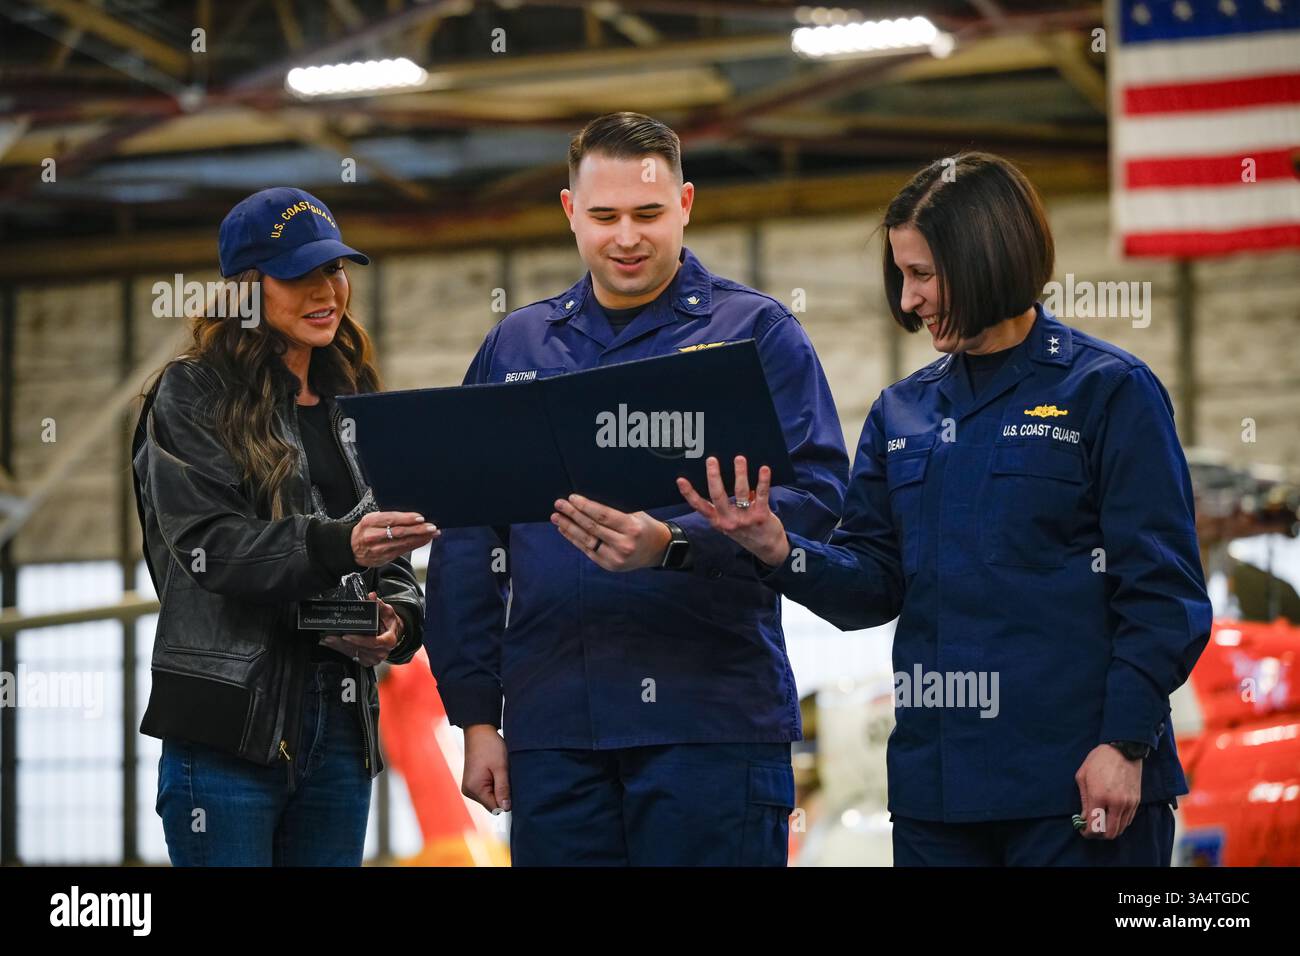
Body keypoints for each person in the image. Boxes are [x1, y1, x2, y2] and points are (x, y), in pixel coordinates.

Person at [677, 152, 1212, 866]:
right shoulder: (903, 413)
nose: (907, 300)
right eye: (901, 276)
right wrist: (778, 548)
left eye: (923, 275)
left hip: (1080, 787)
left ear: (988, 260)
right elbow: (874, 583)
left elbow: (1164, 595)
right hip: (937, 801)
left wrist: (1124, 743)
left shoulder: (1109, 393)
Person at [425, 112, 850, 865]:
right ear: (569, 212)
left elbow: (818, 498)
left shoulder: (756, 333)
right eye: (605, 216)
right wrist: (475, 716)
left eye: (649, 214)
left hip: (711, 726)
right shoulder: (516, 347)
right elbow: (468, 537)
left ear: (685, 203)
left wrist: (680, 546)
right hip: (555, 733)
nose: (627, 237)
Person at [133, 186, 438, 866]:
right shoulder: (191, 394)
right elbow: (210, 548)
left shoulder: (352, 397)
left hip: (339, 727)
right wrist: (339, 544)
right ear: (247, 287)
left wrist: (399, 620)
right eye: (300, 274)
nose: (327, 289)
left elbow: (382, 543)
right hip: (228, 731)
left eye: (334, 269)